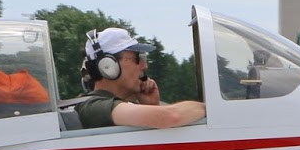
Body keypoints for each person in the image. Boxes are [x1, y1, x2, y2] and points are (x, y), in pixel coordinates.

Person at [75, 27, 206, 129]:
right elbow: (172, 117)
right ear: (108, 66)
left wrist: (152, 106)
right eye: (137, 59)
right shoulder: (92, 107)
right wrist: (211, 109)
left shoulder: (113, 106)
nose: (144, 66)